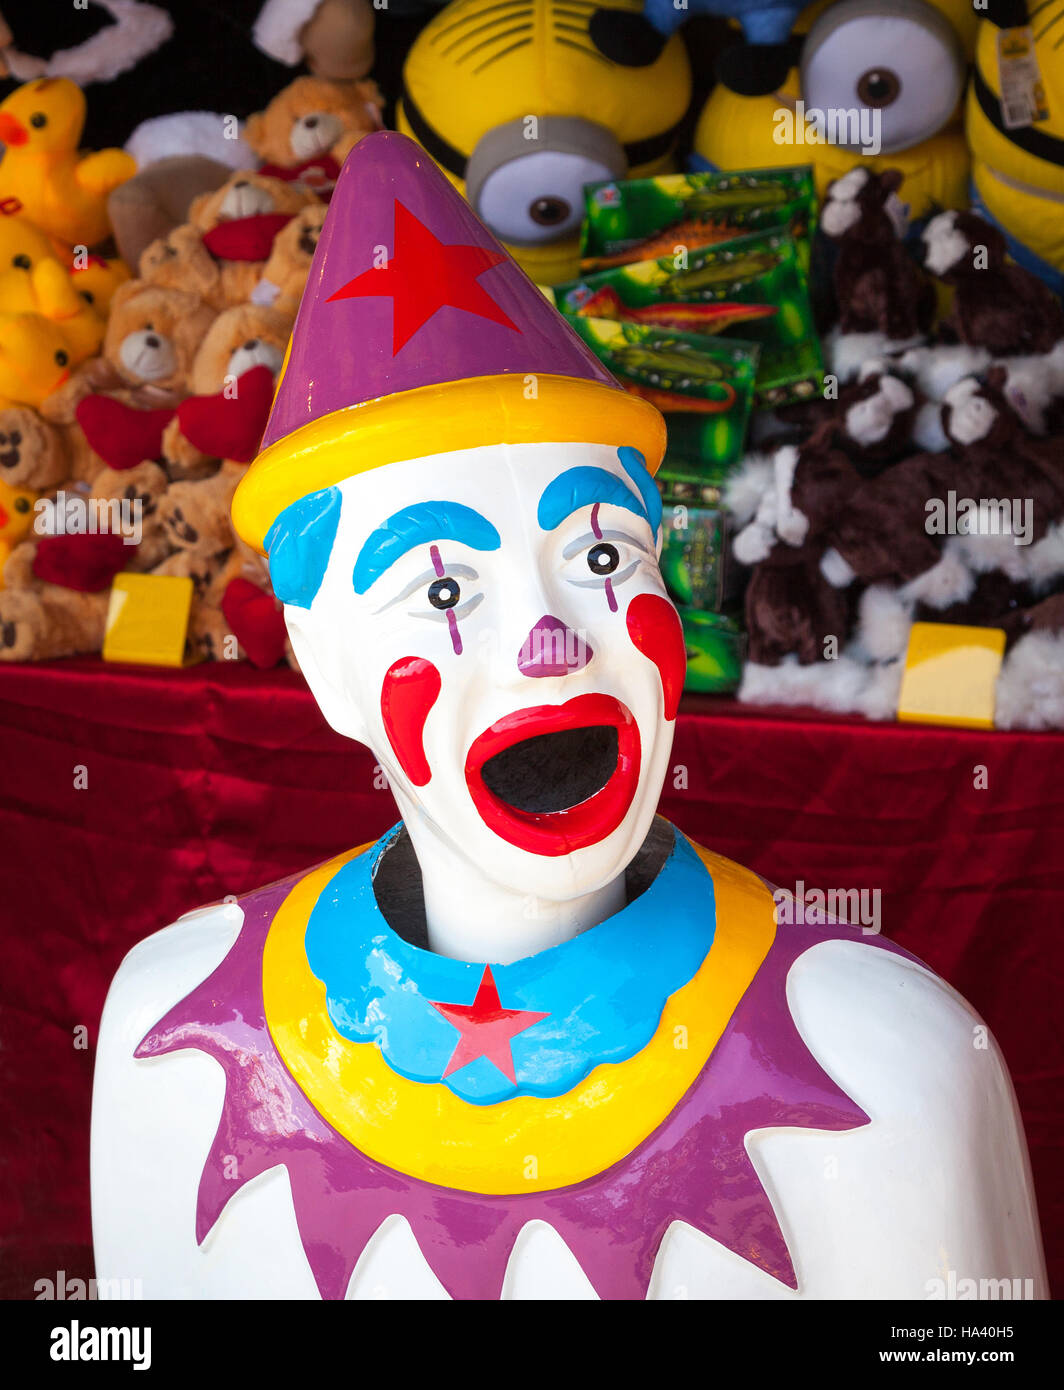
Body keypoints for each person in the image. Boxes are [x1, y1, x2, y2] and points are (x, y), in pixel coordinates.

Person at [91, 132, 1046, 1300]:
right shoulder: (170, 1051)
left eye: (599, 552)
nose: (549, 642)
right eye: (442, 588)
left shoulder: (891, 1068)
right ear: (326, 671)